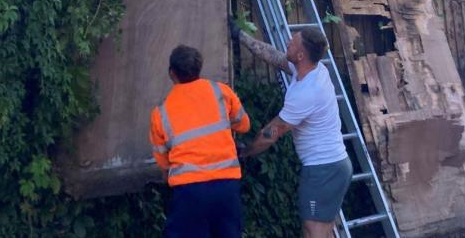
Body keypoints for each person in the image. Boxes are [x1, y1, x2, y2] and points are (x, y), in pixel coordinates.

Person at [229, 20, 351, 238]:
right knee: (324, 229)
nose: (287, 43)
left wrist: (245, 152)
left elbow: (270, 134)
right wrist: (241, 36)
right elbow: (274, 56)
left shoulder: (306, 92)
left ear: (301, 55)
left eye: (292, 43)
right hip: (335, 166)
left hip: (322, 169)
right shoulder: (313, 69)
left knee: (313, 231)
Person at [150, 45, 251, 237]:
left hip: (189, 192)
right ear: (199, 69)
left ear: (172, 73)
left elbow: (164, 164)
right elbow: (244, 125)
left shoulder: (160, 113)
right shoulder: (221, 92)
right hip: (226, 186)